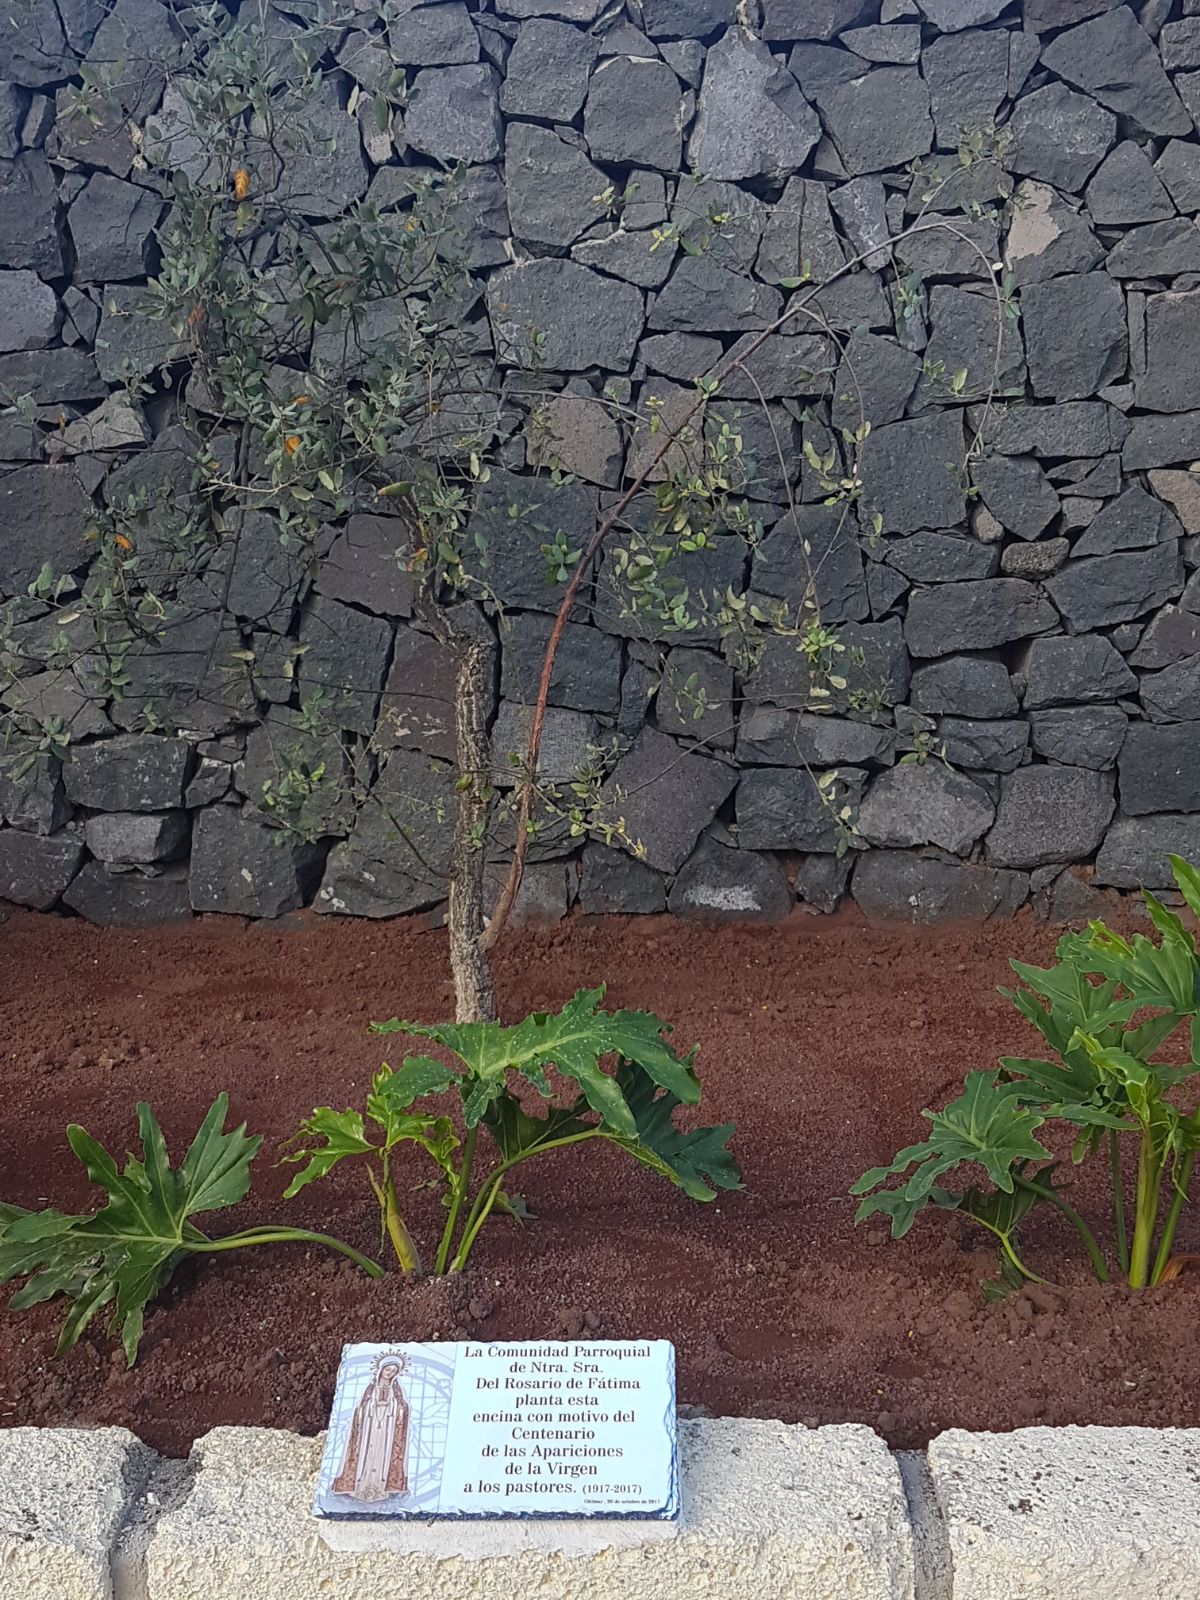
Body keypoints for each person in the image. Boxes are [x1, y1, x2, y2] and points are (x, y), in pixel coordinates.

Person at [332, 1357, 410, 1501]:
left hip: (388, 1424)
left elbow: (401, 1406)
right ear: (381, 1369)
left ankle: (381, 1485)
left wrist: (394, 1406)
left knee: (382, 1452)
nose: (389, 1373)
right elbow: (362, 1407)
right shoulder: (371, 1388)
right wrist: (372, 1405)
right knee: (367, 1451)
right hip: (370, 1424)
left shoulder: (396, 1389)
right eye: (388, 1369)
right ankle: (361, 1483)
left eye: (393, 1371)